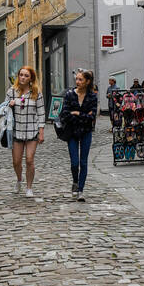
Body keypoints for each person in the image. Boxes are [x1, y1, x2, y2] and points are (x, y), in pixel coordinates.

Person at [61, 68, 98, 201]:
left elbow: (92, 116)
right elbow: (65, 114)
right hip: (72, 132)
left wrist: (77, 113)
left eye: (80, 79)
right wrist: (83, 116)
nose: (77, 81)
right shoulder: (69, 95)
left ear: (87, 81)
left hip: (86, 132)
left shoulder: (92, 96)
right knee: (74, 162)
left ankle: (80, 190)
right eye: (76, 79)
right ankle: (75, 182)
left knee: (83, 162)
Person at [7, 66, 44, 197]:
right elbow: (3, 110)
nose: (22, 77)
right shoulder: (12, 91)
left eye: (26, 75)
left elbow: (41, 113)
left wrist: (41, 131)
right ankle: (19, 179)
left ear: (31, 78)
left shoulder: (36, 93)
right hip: (16, 131)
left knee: (29, 160)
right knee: (16, 161)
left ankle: (29, 187)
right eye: (21, 75)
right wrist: (9, 105)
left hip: (31, 131)